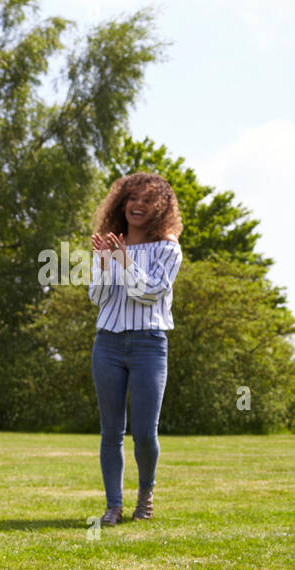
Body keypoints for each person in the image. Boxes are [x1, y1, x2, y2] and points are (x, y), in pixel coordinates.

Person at [88, 172, 184, 525]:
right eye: (132, 198)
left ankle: (146, 494)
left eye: (147, 200)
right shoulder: (109, 244)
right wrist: (102, 264)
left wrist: (124, 261)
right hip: (108, 344)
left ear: (160, 208)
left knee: (145, 431)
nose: (138, 205)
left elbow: (150, 293)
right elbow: (97, 297)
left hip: (149, 344)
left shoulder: (168, 248)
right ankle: (113, 505)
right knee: (111, 431)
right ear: (122, 203)